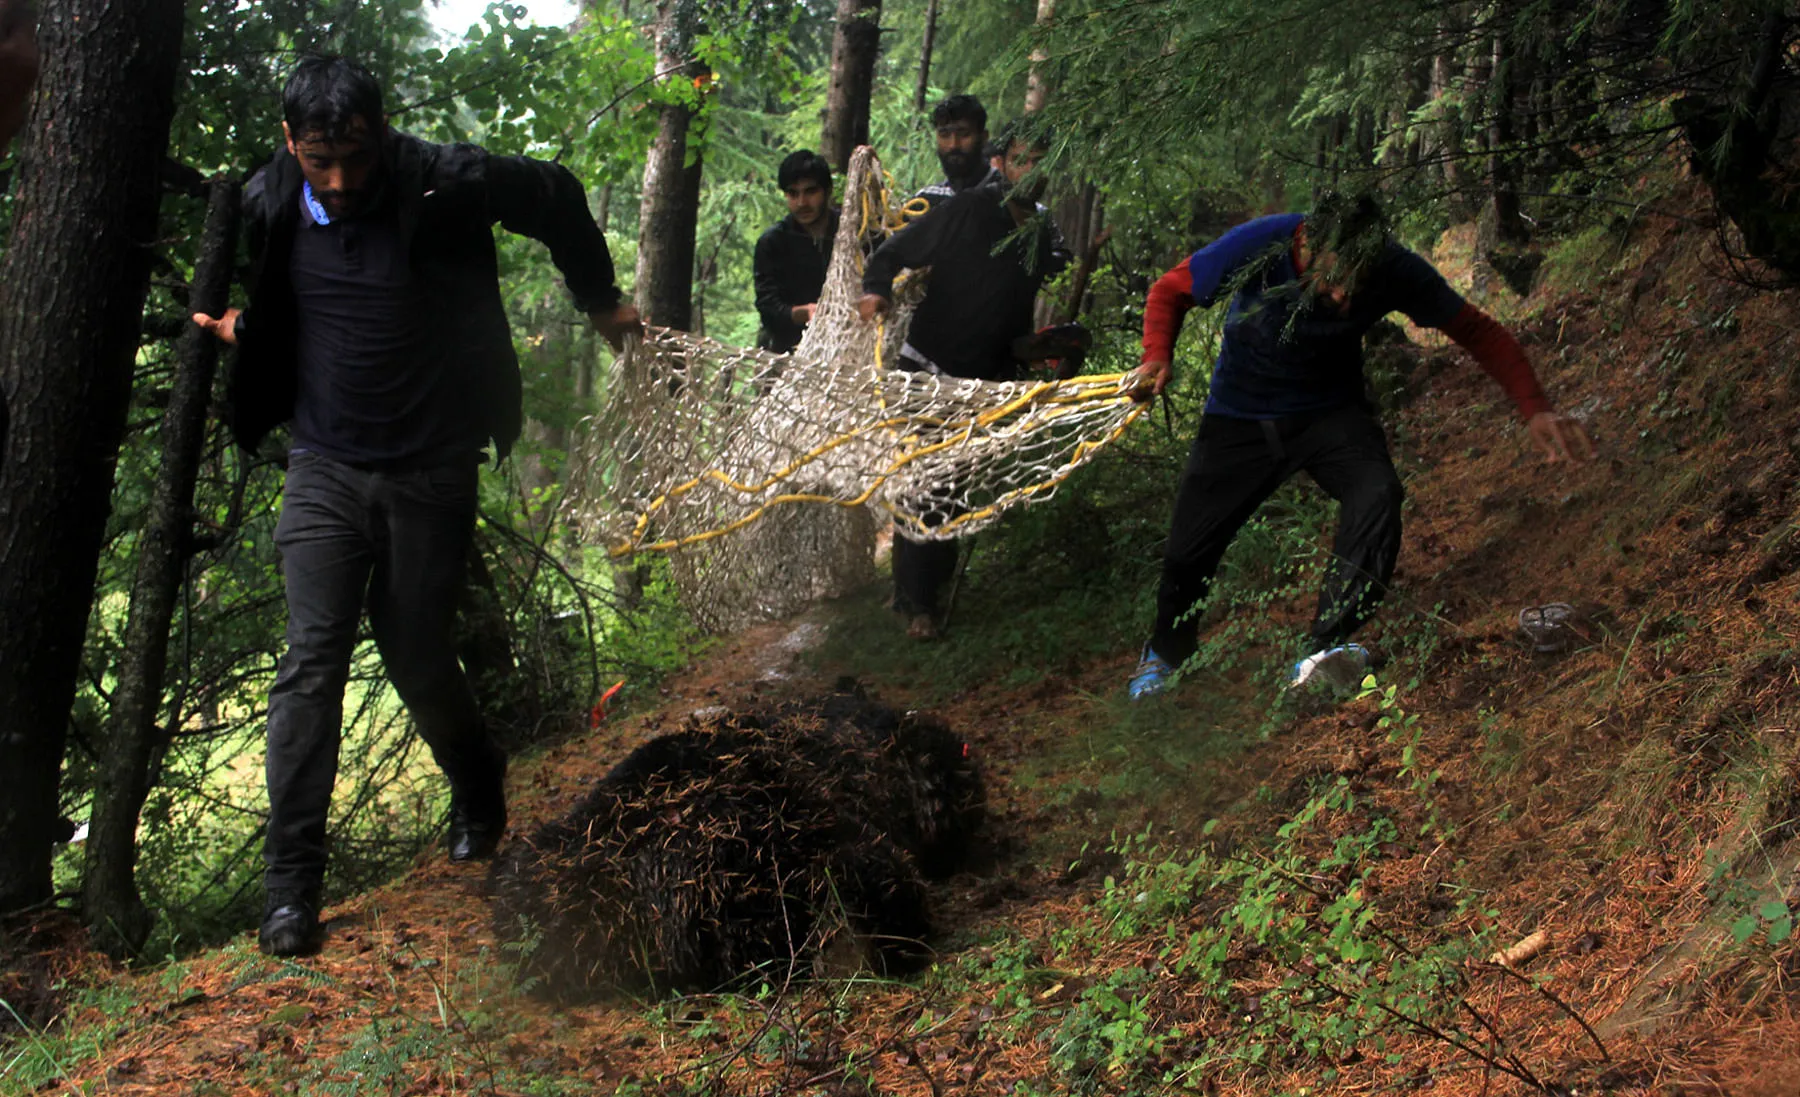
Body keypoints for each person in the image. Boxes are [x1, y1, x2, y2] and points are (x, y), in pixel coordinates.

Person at [191, 56, 641, 957]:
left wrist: (600, 301)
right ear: (292, 144)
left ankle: (477, 779)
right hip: (322, 467)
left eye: (357, 157)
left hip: (433, 467)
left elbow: (556, 194)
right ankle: (291, 889)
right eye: (322, 161)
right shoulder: (269, 194)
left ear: (384, 132)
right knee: (311, 661)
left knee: (420, 656)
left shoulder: (447, 181)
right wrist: (250, 332)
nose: (342, 180)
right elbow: (284, 294)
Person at [1125, 192, 1594, 700]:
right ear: (1307, 242)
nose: (1346, 293)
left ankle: (1323, 652)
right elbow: (1172, 289)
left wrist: (1535, 406)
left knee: (1377, 494)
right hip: (1239, 415)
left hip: (1331, 414)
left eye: (1359, 278)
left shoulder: (1394, 266)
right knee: (1188, 550)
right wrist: (1157, 356)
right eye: (1334, 275)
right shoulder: (1261, 243)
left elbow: (1476, 330)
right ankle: (1166, 654)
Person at [858, 123, 1072, 639]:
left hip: (981, 383)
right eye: (1024, 159)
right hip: (929, 369)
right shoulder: (973, 208)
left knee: (952, 489)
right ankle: (917, 605)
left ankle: (924, 593)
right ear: (1002, 163)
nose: (1033, 171)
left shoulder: (1040, 234)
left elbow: (1013, 319)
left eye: (1043, 161)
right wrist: (875, 291)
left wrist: (1037, 349)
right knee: (924, 482)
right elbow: (894, 252)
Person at [753, 150, 837, 353]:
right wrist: (804, 312)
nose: (802, 203)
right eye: (793, 194)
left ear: (828, 191)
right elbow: (767, 307)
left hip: (846, 348)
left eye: (810, 192)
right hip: (787, 351)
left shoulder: (851, 233)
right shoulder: (772, 242)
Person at [911, 94, 998, 211]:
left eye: (964, 134)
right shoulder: (925, 201)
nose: (953, 145)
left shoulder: (1005, 194)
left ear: (983, 137)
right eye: (944, 135)